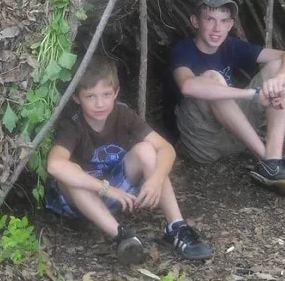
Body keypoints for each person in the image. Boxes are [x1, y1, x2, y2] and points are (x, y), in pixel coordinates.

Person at [45, 55, 211, 265]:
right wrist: (105, 188)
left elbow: (166, 149)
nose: (100, 103)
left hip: (118, 193)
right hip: (81, 202)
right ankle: (122, 237)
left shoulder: (122, 113)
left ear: (116, 92)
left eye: (106, 94)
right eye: (90, 96)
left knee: (146, 150)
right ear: (77, 98)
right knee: (70, 174)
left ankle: (176, 228)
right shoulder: (73, 124)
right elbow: (54, 165)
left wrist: (155, 180)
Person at [169, 0, 285, 198]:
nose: (217, 28)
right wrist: (252, 94)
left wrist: (279, 79)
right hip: (204, 142)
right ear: (195, 22)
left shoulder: (231, 46)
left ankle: (273, 161)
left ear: (231, 25)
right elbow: (188, 87)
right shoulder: (184, 49)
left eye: (224, 21)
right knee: (212, 78)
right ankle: (269, 162)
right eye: (210, 20)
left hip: (234, 132)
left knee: (279, 65)